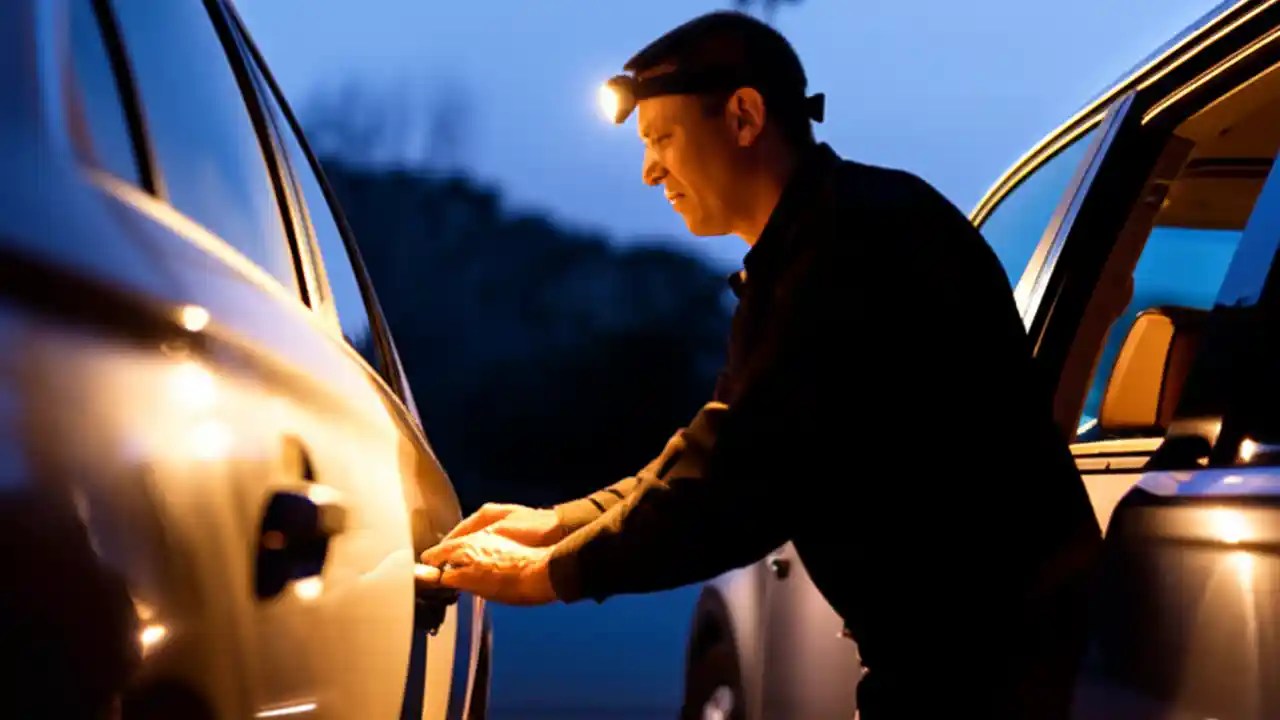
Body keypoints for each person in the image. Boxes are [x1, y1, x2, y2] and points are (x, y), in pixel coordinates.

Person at [420, 10, 1103, 718]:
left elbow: (744, 482)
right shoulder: (815, 245)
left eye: (662, 138)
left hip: (992, 669)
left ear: (745, 115)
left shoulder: (857, 244)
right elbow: (716, 442)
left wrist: (549, 574)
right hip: (972, 655)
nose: (650, 170)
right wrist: (558, 521)